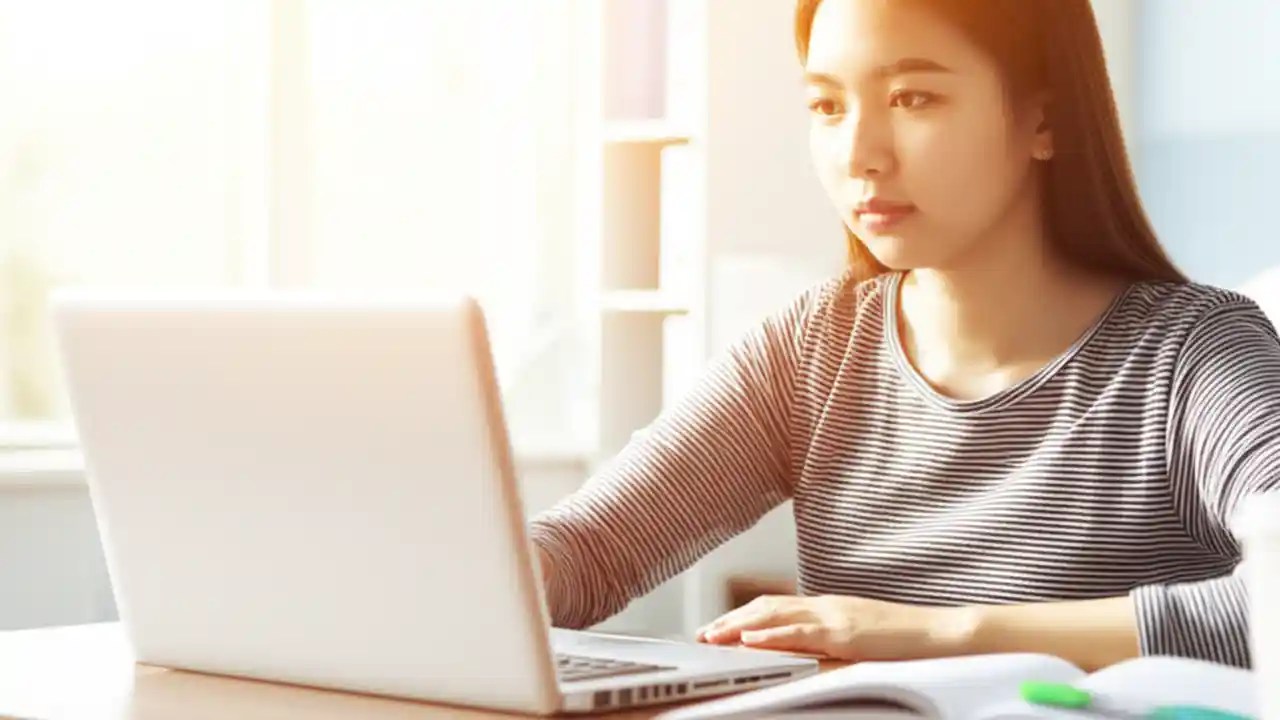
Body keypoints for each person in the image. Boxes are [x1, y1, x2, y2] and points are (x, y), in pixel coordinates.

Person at [528, 0, 1280, 671]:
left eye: (913, 97)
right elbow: (590, 553)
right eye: (826, 106)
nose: (859, 154)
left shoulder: (1193, 357)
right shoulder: (815, 349)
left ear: (1043, 121)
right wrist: (483, 578)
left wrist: (935, 633)